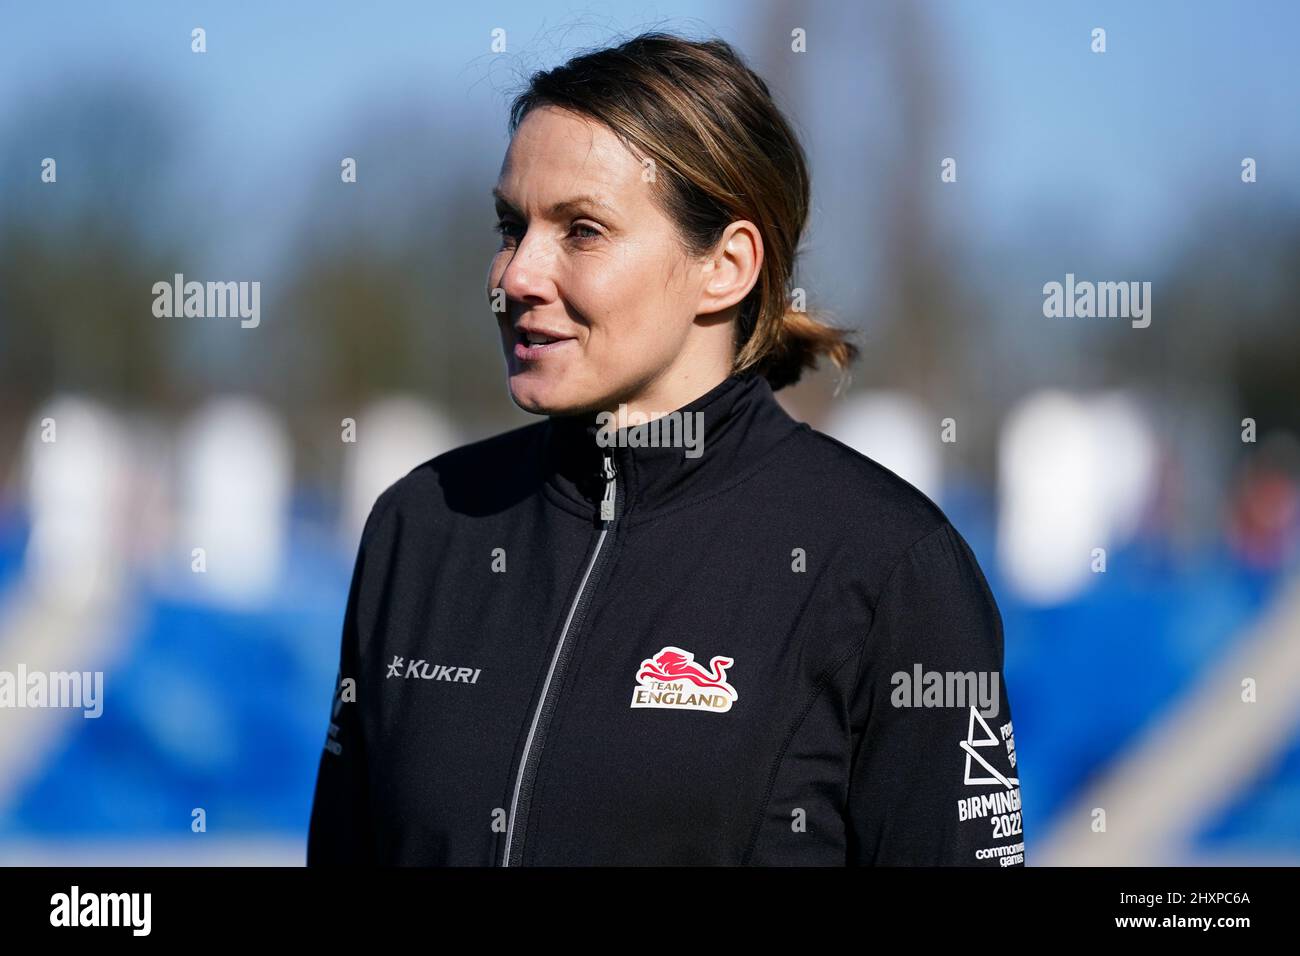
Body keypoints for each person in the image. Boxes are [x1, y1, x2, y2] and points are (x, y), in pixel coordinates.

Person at [306, 30, 1023, 867]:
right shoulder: (424, 526)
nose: (516, 276)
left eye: (581, 231)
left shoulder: (888, 565)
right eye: (512, 225)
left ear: (725, 266)